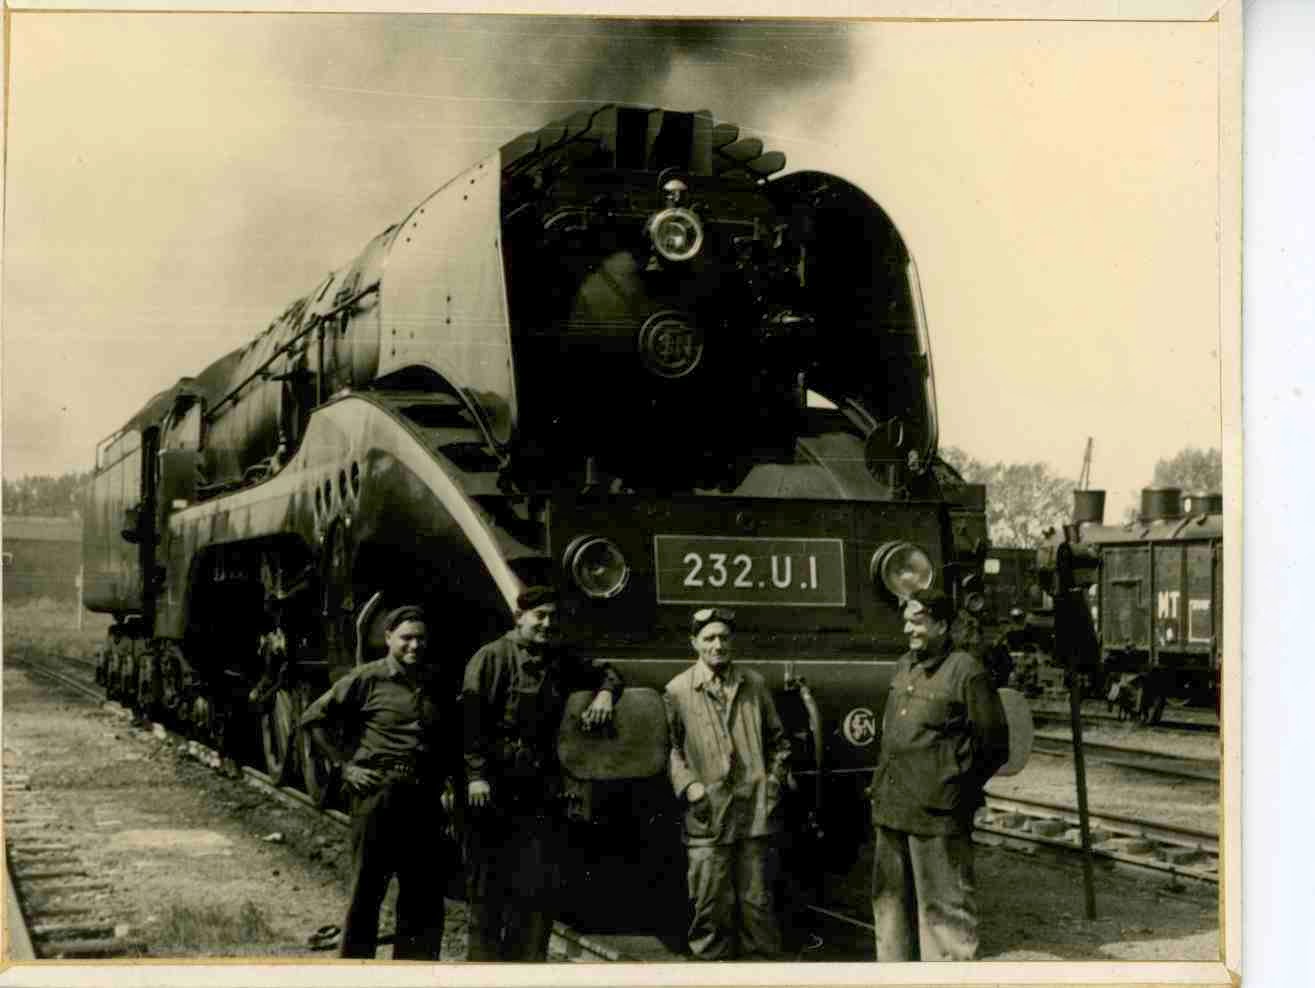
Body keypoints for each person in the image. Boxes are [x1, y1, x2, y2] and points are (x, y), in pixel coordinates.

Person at [461, 585, 621, 962]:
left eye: (553, 616)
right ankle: (482, 970)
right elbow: (471, 723)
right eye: (540, 616)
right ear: (520, 618)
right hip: (496, 785)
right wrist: (476, 775)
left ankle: (529, 969)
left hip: (541, 786)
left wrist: (605, 694)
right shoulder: (491, 658)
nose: (548, 624)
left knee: (537, 886)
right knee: (489, 886)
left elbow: (607, 673)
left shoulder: (560, 658)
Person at [300, 604, 454, 960]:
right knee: (367, 891)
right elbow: (312, 718)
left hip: (422, 797)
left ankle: (415, 974)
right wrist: (345, 767)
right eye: (406, 638)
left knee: (423, 893)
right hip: (378, 797)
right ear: (388, 638)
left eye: (421, 639)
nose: (414, 646)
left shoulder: (435, 681)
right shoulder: (366, 678)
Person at [869, 589, 1010, 962]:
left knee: (945, 917)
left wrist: (953, 786)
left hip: (938, 815)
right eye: (907, 621)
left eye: (917, 621)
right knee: (889, 910)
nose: (908, 629)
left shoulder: (966, 671)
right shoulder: (904, 666)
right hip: (893, 809)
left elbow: (995, 745)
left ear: (942, 625)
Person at [663, 607, 792, 960]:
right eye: (709, 638)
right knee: (709, 909)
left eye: (723, 637)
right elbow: (670, 749)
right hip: (707, 815)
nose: (718, 645)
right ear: (694, 643)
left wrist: (774, 783)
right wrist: (689, 785)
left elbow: (780, 743)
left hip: (754, 815)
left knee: (758, 908)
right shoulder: (677, 690)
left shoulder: (754, 684)